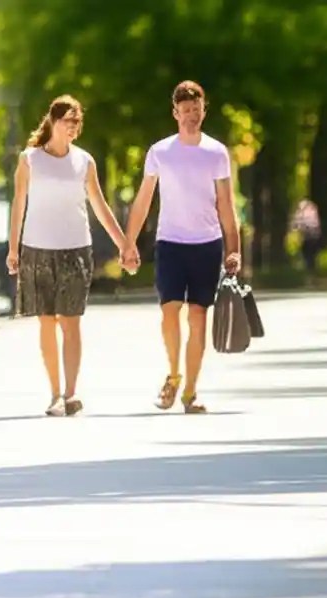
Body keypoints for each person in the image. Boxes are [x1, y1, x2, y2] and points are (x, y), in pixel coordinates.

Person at [6, 95, 137, 417]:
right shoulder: (30, 159)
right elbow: (18, 204)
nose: (73, 129)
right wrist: (13, 248)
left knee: (71, 322)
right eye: (68, 122)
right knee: (47, 322)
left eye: (77, 123)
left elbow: (100, 206)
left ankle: (71, 392)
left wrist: (124, 244)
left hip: (75, 249)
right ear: (53, 121)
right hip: (37, 248)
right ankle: (54, 394)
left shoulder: (84, 162)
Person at [125, 80, 242, 414]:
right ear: (175, 113)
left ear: (204, 110)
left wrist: (234, 248)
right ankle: (173, 375)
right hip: (171, 242)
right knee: (169, 310)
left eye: (196, 109)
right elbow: (144, 199)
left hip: (207, 243)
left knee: (198, 316)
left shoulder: (216, 152)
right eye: (185, 110)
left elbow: (226, 204)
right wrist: (129, 242)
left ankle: (191, 391)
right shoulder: (160, 152)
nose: (191, 115)